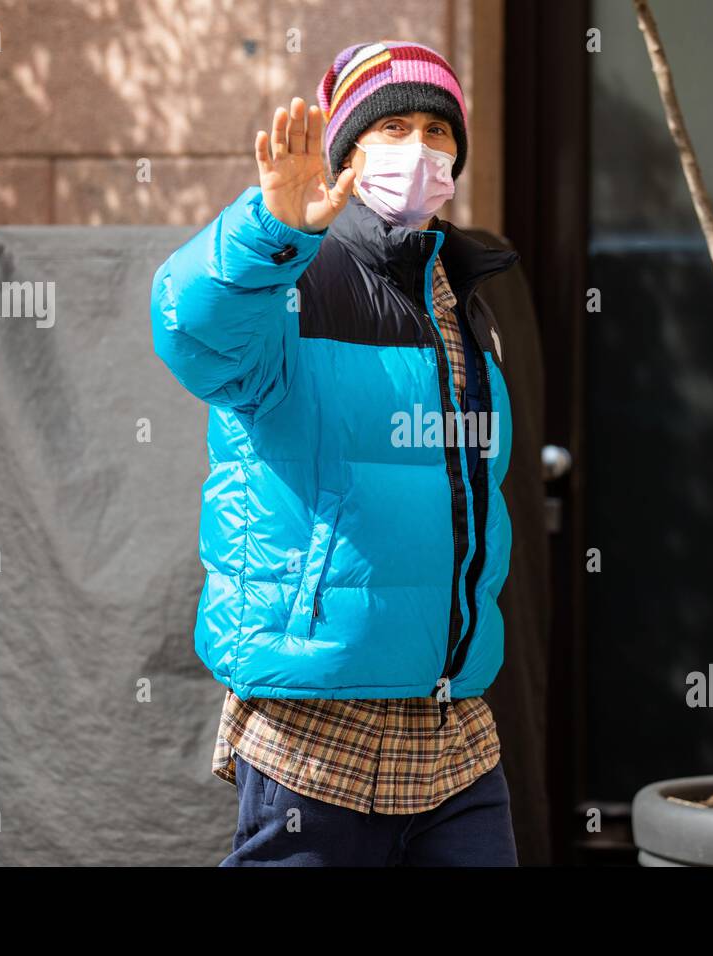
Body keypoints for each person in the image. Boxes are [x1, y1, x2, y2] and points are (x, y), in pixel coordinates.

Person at [150, 40, 521, 866]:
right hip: (315, 734)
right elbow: (187, 327)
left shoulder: (464, 294)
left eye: (437, 128)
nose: (418, 148)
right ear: (347, 153)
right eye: (392, 126)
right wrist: (270, 229)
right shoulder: (290, 278)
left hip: (453, 729)